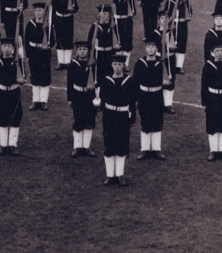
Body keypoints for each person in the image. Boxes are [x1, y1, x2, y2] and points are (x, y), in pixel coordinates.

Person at [97, 54, 136, 186]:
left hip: (123, 116)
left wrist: (132, 117)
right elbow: (102, 99)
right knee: (109, 144)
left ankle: (119, 175)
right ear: (111, 65)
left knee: (121, 144)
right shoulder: (106, 81)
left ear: (123, 66)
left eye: (120, 64)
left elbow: (132, 101)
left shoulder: (130, 81)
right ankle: (110, 175)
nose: (117, 67)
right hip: (109, 116)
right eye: (115, 64)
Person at [201, 43, 222, 162]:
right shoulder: (208, 66)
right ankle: (213, 151)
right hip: (212, 98)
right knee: (212, 123)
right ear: (212, 52)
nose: (220, 53)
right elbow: (203, 85)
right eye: (217, 50)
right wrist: (204, 102)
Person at [133, 38, 168, 161]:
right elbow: (135, 82)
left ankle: (156, 149)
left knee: (157, 121)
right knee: (145, 121)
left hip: (157, 95)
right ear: (145, 49)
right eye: (148, 47)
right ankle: (145, 149)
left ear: (157, 49)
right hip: (144, 96)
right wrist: (136, 98)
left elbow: (169, 82)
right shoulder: (140, 63)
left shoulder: (161, 64)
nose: (151, 49)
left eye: (153, 47)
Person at [0, 38, 26, 155]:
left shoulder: (17, 61)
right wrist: (16, 80)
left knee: (15, 117)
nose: (7, 48)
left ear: (13, 48)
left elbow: (23, 75)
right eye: (5, 46)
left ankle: (12, 144)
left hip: (14, 93)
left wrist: (22, 78)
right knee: (2, 117)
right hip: (2, 92)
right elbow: (0, 78)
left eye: (9, 46)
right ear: (1, 48)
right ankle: (3, 145)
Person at [67, 41, 98, 158]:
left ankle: (86, 146)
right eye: (80, 49)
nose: (82, 51)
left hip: (89, 96)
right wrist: (70, 99)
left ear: (88, 51)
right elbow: (69, 83)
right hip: (78, 95)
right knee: (78, 119)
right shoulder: (73, 64)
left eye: (84, 49)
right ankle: (77, 146)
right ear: (77, 51)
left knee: (89, 120)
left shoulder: (93, 64)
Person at [25, 3, 53, 111]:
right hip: (33, 53)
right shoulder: (30, 24)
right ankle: (35, 100)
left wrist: (48, 45)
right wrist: (27, 55)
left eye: (40, 10)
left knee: (45, 77)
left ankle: (43, 101)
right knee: (35, 76)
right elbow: (26, 40)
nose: (38, 13)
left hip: (44, 54)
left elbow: (53, 40)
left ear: (44, 12)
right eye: (36, 10)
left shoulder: (48, 26)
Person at [86, 4, 119, 82]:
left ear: (109, 15)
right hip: (98, 54)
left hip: (109, 54)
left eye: (105, 14)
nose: (103, 16)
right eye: (101, 13)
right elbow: (89, 42)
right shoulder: (94, 27)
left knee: (109, 75)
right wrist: (91, 56)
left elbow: (116, 42)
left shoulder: (112, 27)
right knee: (98, 76)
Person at [51, 0, 79, 71]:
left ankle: (67, 62)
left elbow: (77, 9)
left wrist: (73, 9)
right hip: (59, 20)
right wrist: (53, 22)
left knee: (68, 39)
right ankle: (60, 62)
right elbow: (53, 10)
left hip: (68, 20)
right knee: (59, 39)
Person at [154, 11, 178, 114]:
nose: (164, 20)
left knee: (171, 80)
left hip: (170, 59)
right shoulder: (155, 33)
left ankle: (168, 104)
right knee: (157, 80)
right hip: (159, 59)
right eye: (162, 18)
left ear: (169, 20)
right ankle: (157, 103)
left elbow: (177, 45)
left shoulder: (172, 31)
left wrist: (174, 48)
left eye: (166, 18)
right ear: (159, 20)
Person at [164, 0, 192, 75]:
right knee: (171, 44)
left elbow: (190, 12)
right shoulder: (169, 2)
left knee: (182, 44)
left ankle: (179, 66)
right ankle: (171, 64)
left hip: (182, 26)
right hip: (172, 26)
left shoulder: (184, 2)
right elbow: (165, 14)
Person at [112, 0, 136, 71]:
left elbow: (134, 12)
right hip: (117, 22)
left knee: (127, 43)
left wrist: (132, 14)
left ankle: (126, 64)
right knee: (118, 41)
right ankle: (118, 62)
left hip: (127, 22)